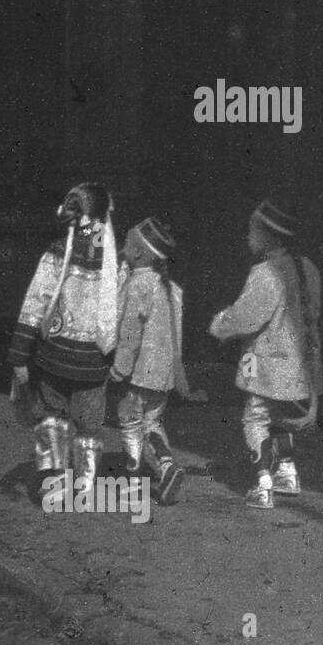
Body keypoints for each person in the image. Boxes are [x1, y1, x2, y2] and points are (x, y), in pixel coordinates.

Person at [209, 196, 323, 509]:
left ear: (269, 237)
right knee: (284, 417)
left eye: (252, 231)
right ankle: (288, 473)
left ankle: (263, 485)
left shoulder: (265, 272)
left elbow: (247, 317)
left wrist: (220, 325)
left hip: (265, 365)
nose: (248, 237)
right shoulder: (309, 268)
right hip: (301, 363)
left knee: (255, 418)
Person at [10, 182, 119, 507]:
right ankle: (85, 487)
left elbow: (35, 303)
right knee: (89, 426)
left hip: (53, 357)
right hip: (94, 364)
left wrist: (19, 354)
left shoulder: (57, 252)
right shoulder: (118, 261)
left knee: (53, 417)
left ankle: (53, 484)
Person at [109, 216, 187, 505]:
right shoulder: (170, 287)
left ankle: (134, 481)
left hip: (140, 370)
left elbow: (129, 332)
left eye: (127, 244)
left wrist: (120, 367)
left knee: (130, 421)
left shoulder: (137, 286)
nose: (122, 248)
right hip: (163, 373)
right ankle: (167, 467)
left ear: (139, 253)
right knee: (152, 422)